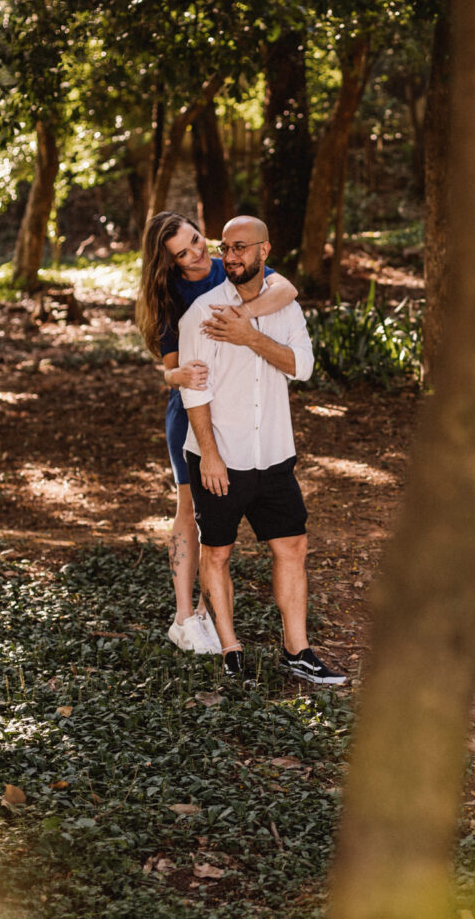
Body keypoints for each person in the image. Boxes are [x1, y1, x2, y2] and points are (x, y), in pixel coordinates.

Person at [177, 215, 346, 684]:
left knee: (292, 545)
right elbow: (195, 391)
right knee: (218, 553)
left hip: (273, 452)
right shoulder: (203, 313)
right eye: (225, 248)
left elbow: (303, 367)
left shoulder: (284, 307)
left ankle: (297, 649)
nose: (231, 256)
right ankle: (231, 652)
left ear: (264, 251)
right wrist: (209, 454)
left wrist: (251, 336)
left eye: (241, 248)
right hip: (220, 457)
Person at [135, 210, 299, 657]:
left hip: (238, 410)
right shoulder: (172, 294)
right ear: (168, 262)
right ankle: (184, 617)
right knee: (191, 506)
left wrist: (240, 317)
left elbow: (285, 288)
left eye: (195, 240)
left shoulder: (232, 263)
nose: (195, 255)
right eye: (181, 254)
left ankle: (209, 613)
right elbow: (169, 374)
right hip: (190, 409)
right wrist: (180, 374)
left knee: (220, 516)